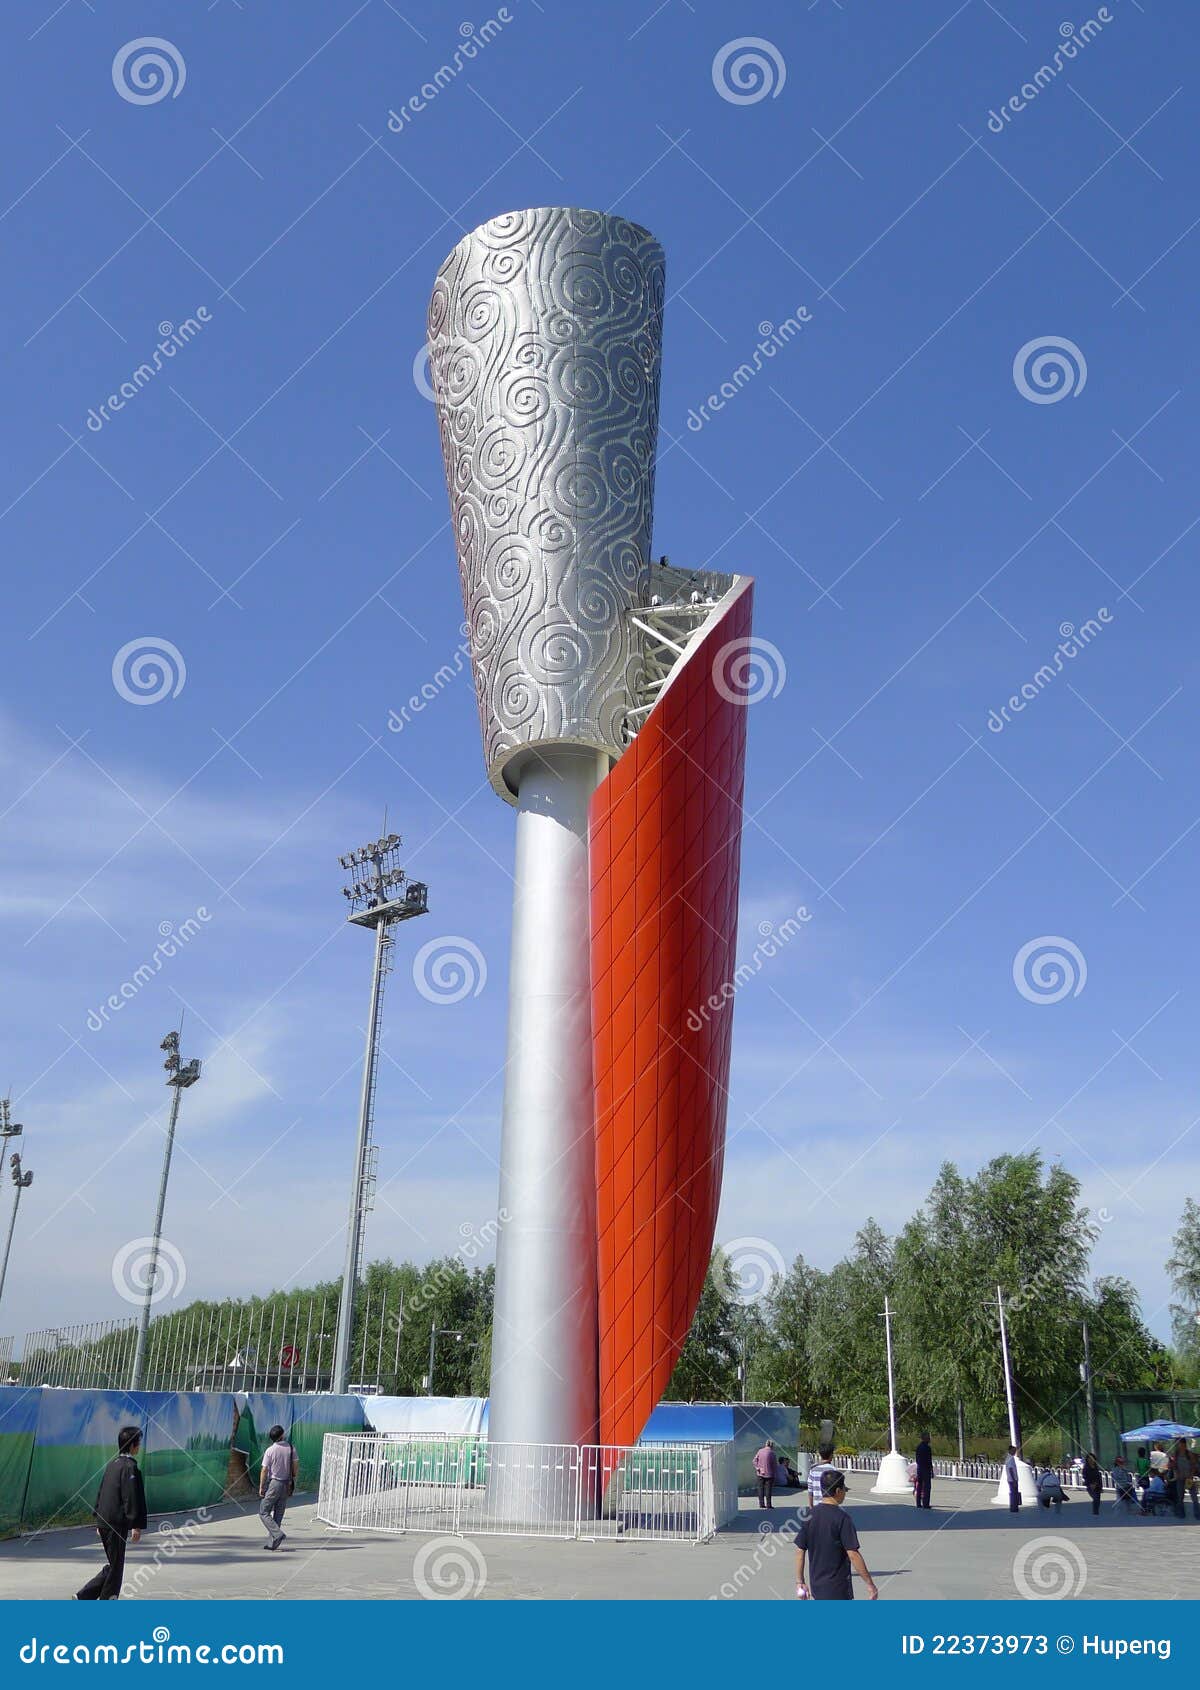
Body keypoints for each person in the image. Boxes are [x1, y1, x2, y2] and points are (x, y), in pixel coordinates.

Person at [75, 1425, 147, 1600]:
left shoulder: (112, 1465)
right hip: (116, 1523)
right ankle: (108, 1599)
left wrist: (98, 1520)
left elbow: (102, 1492)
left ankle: (85, 1596)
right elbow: (131, 1496)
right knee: (116, 1567)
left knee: (113, 1564)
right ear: (132, 1446)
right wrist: (136, 1525)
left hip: (105, 1522)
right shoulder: (130, 1468)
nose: (139, 1446)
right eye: (138, 1443)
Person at [794, 1470, 878, 1601]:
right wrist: (870, 1584)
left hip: (817, 1587)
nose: (845, 1491)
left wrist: (800, 1581)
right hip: (838, 1588)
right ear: (838, 1491)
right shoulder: (842, 1518)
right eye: (844, 1488)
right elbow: (853, 1554)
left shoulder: (809, 1516)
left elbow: (800, 1551)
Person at [259, 1424, 298, 1550]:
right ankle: (272, 1543)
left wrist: (261, 1486)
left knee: (263, 1511)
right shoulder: (291, 1448)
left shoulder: (270, 1450)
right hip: (287, 1483)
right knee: (278, 1514)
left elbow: (264, 1469)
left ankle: (277, 1534)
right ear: (282, 1435)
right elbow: (295, 1465)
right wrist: (293, 1475)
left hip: (274, 1483)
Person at [807, 1442, 837, 1512]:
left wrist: (811, 1505)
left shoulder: (813, 1470)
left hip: (816, 1506)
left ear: (820, 1454)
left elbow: (810, 1490)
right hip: (830, 1505)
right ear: (831, 1455)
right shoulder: (833, 1470)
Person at [753, 1439, 777, 1510]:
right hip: (769, 1474)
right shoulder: (772, 1453)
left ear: (766, 1444)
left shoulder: (760, 1451)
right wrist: (775, 1474)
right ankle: (768, 1505)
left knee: (760, 1489)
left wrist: (757, 1468)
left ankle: (761, 1504)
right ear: (772, 1445)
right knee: (768, 1489)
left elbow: (754, 1460)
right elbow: (774, 1465)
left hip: (760, 1473)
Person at [914, 1432, 933, 1509]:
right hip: (926, 1468)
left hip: (919, 1468)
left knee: (919, 1486)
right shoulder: (927, 1448)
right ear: (925, 1438)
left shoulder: (918, 1447)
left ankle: (918, 1503)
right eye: (928, 1437)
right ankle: (926, 1503)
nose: (929, 1439)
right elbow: (929, 1460)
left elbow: (917, 1459)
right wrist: (931, 1469)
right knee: (927, 1486)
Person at [1081, 1452, 1103, 1516]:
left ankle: (1096, 1512)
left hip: (1098, 1485)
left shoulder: (1096, 1467)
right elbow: (1085, 1477)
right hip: (1090, 1486)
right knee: (1095, 1498)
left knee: (1098, 1500)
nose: (1091, 1460)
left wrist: (1100, 1486)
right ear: (1087, 1459)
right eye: (1089, 1458)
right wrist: (1090, 1484)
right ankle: (1095, 1513)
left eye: (1092, 1458)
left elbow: (1099, 1477)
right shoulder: (1086, 1468)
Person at [1004, 1445, 1021, 1512]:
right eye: (1013, 1451)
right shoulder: (1010, 1458)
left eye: (1015, 1451)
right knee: (1014, 1493)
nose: (1014, 1452)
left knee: (1013, 1493)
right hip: (1012, 1479)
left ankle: (1014, 1507)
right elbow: (1010, 1469)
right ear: (1010, 1450)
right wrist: (1014, 1480)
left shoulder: (1010, 1458)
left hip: (1011, 1479)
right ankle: (1014, 1508)